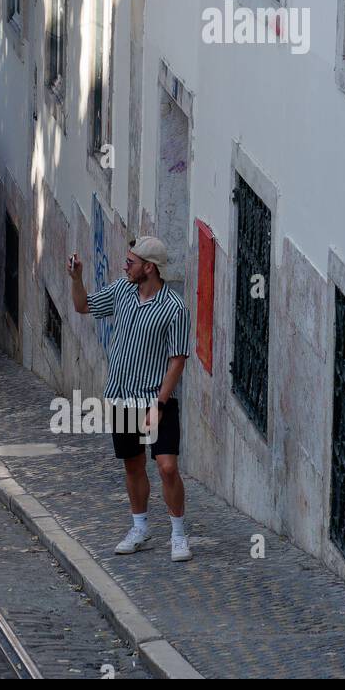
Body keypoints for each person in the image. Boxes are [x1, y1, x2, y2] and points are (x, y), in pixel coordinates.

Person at [68, 236, 193, 563]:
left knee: (167, 467)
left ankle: (178, 534)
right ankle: (140, 528)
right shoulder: (122, 290)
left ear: (149, 268)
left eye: (131, 261)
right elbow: (83, 306)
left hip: (156, 400)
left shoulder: (174, 309)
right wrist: (77, 278)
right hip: (122, 397)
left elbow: (177, 359)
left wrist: (160, 405)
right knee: (133, 465)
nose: (125, 266)